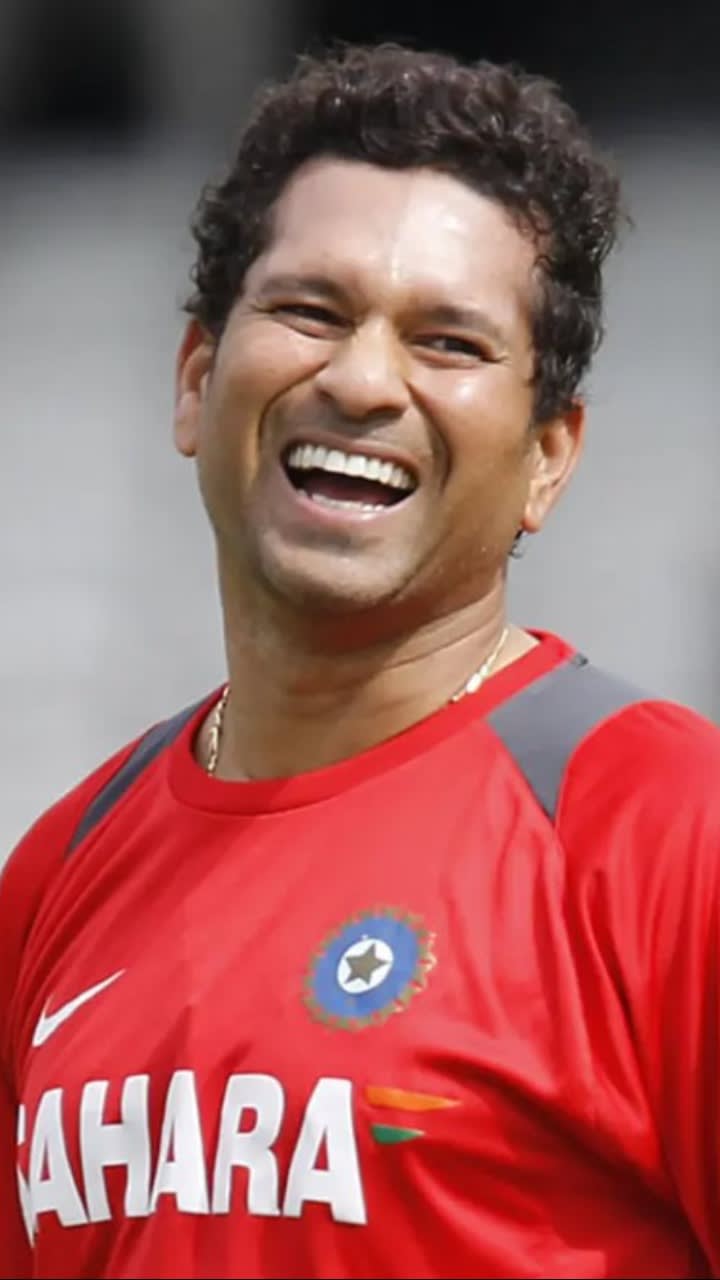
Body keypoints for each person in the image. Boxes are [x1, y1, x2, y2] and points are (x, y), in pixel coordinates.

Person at [2, 40, 719, 1280]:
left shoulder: (664, 827)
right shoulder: (59, 871)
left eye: (448, 341)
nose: (362, 378)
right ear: (195, 379)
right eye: (310, 311)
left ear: (548, 457)